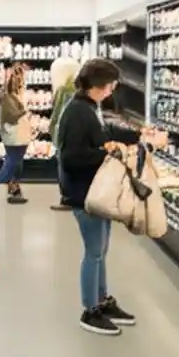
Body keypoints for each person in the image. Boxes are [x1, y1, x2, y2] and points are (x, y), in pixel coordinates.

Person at [56, 58, 137, 336]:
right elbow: (71, 157)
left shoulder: (88, 108)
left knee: (100, 251)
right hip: (85, 193)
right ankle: (89, 310)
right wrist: (109, 153)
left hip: (96, 191)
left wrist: (129, 138)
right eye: (111, 84)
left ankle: (102, 301)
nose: (113, 90)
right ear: (99, 85)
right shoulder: (79, 112)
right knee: (93, 253)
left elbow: (101, 134)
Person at [0, 62, 30, 204]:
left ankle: (14, 187)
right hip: (15, 136)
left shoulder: (10, 94)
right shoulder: (10, 96)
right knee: (10, 165)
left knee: (16, 163)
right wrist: (24, 111)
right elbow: (14, 114)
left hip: (17, 135)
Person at [47, 56, 81, 211]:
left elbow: (58, 114)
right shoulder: (79, 90)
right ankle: (75, 197)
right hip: (77, 134)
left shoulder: (64, 90)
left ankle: (66, 199)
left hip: (64, 134)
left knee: (63, 166)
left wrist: (51, 128)